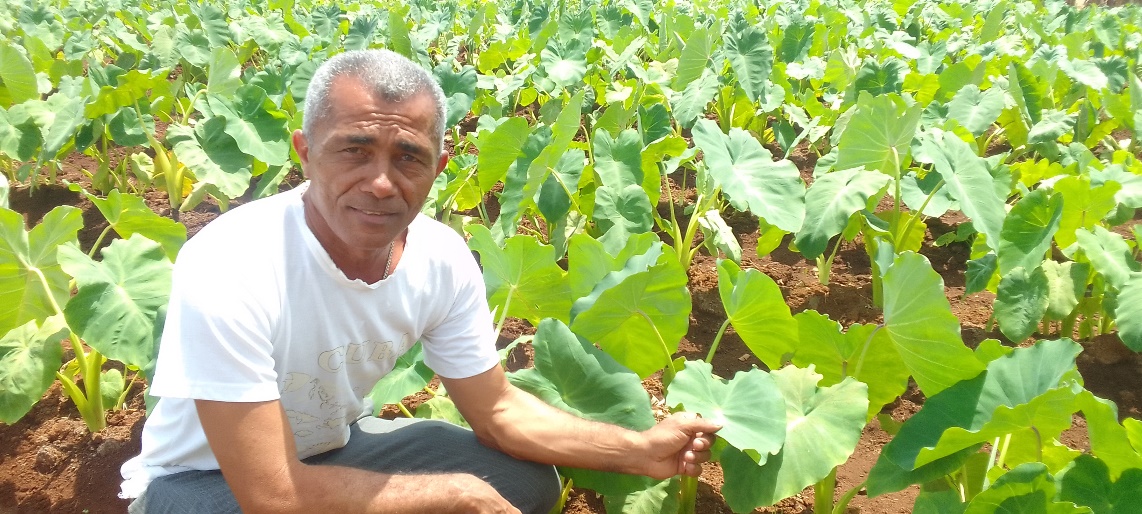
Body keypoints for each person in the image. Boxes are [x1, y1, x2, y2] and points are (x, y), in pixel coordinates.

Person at [119, 49, 720, 514]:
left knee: (521, 482)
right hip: (202, 484)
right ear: (304, 152)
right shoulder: (232, 261)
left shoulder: (441, 258)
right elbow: (272, 497)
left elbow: (499, 412)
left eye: (408, 157)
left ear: (440, 164)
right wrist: (451, 495)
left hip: (331, 449)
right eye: (354, 150)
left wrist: (637, 451)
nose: (381, 182)